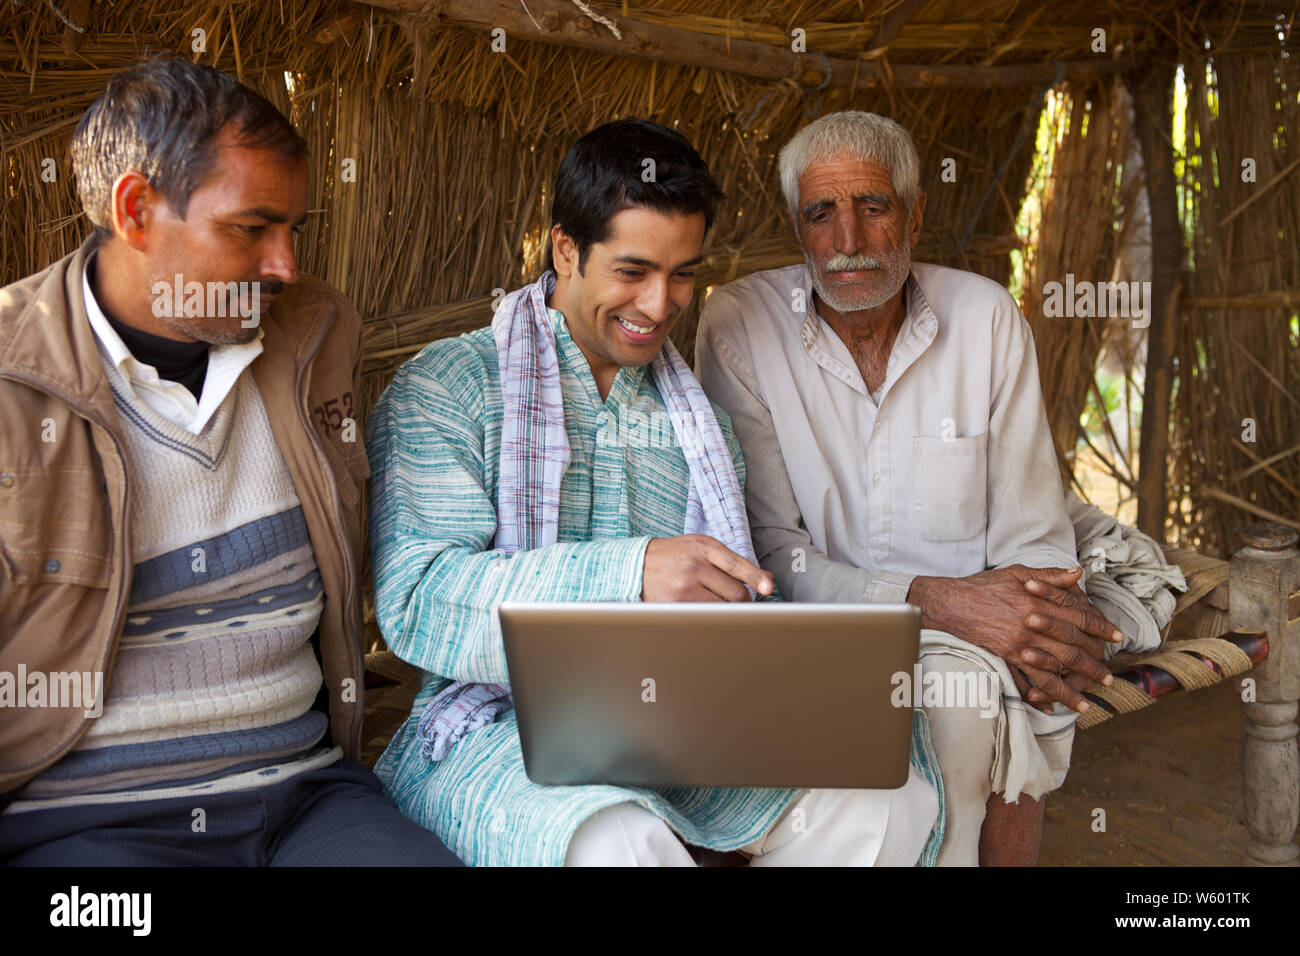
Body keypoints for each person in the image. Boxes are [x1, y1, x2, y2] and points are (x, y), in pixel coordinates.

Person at [367, 118, 944, 867]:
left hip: (679, 724)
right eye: (633, 271)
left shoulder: (697, 420)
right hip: (495, 733)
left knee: (886, 798)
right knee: (615, 842)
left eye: (683, 275)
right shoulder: (448, 387)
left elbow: (738, 607)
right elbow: (415, 601)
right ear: (565, 249)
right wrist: (633, 574)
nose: (659, 304)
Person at [0, 58, 461, 866]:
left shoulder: (316, 335)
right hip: (85, 821)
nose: (284, 266)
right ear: (137, 210)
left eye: (293, 230)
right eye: (251, 229)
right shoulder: (13, 379)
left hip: (303, 795)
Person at [695, 110, 1124, 866]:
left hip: (973, 636)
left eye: (874, 206)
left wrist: (1026, 621)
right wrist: (939, 597)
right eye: (821, 214)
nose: (848, 241)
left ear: (916, 214)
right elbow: (767, 559)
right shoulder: (740, 325)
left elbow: (1034, 536)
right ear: (798, 229)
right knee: (938, 720)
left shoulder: (985, 317)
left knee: (978, 701)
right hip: (817, 633)